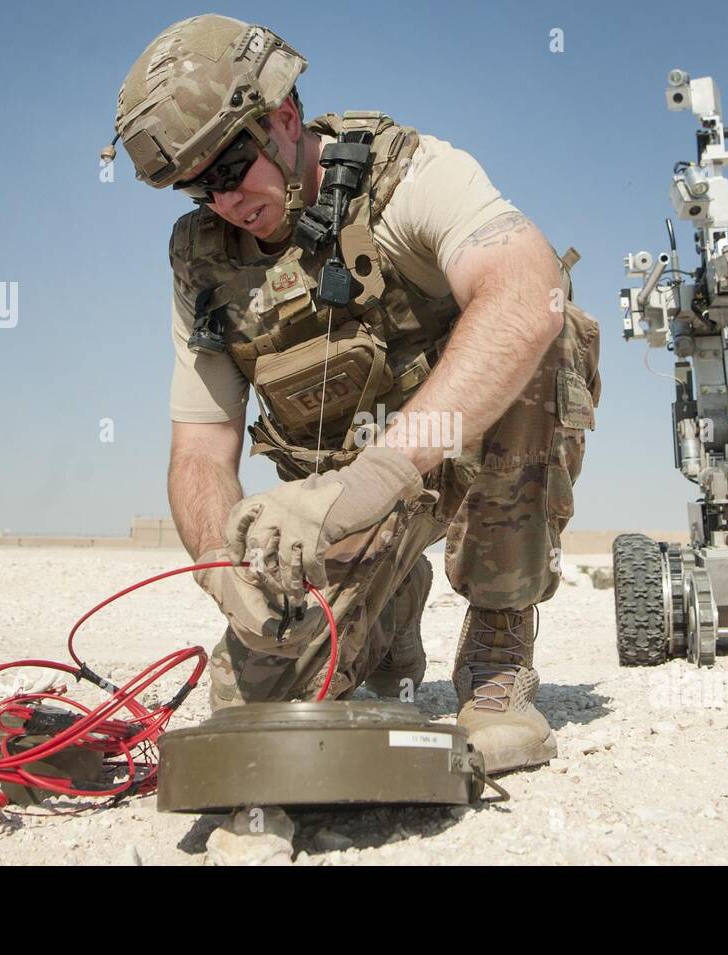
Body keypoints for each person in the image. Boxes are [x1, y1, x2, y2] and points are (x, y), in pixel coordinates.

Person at [107, 14, 601, 773]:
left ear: (283, 116)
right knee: (252, 709)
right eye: (196, 185)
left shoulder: (408, 174)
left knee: (544, 328)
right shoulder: (203, 262)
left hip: (439, 457)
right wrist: (217, 562)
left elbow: (526, 290)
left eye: (232, 166)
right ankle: (387, 605)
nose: (223, 200)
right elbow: (200, 447)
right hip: (323, 505)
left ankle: (500, 639)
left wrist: (370, 482)